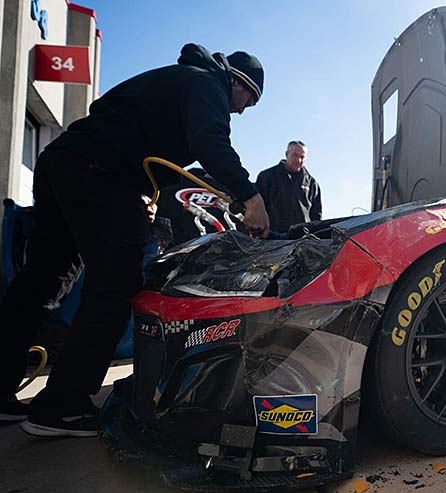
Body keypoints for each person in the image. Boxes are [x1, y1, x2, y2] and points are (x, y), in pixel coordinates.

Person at [0, 43, 270, 437]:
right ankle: (61, 408)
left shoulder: (175, 80)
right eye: (249, 98)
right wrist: (251, 196)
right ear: (236, 81)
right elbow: (209, 142)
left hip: (65, 160)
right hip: (101, 173)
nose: (243, 109)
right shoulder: (207, 85)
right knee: (114, 287)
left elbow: (135, 135)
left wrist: (140, 190)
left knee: (43, 280)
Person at [256, 140, 322, 233]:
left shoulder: (312, 184)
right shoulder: (267, 176)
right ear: (287, 154)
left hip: (303, 238)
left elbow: (317, 216)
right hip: (273, 236)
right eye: (295, 155)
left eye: (302, 157)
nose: (298, 160)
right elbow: (258, 207)